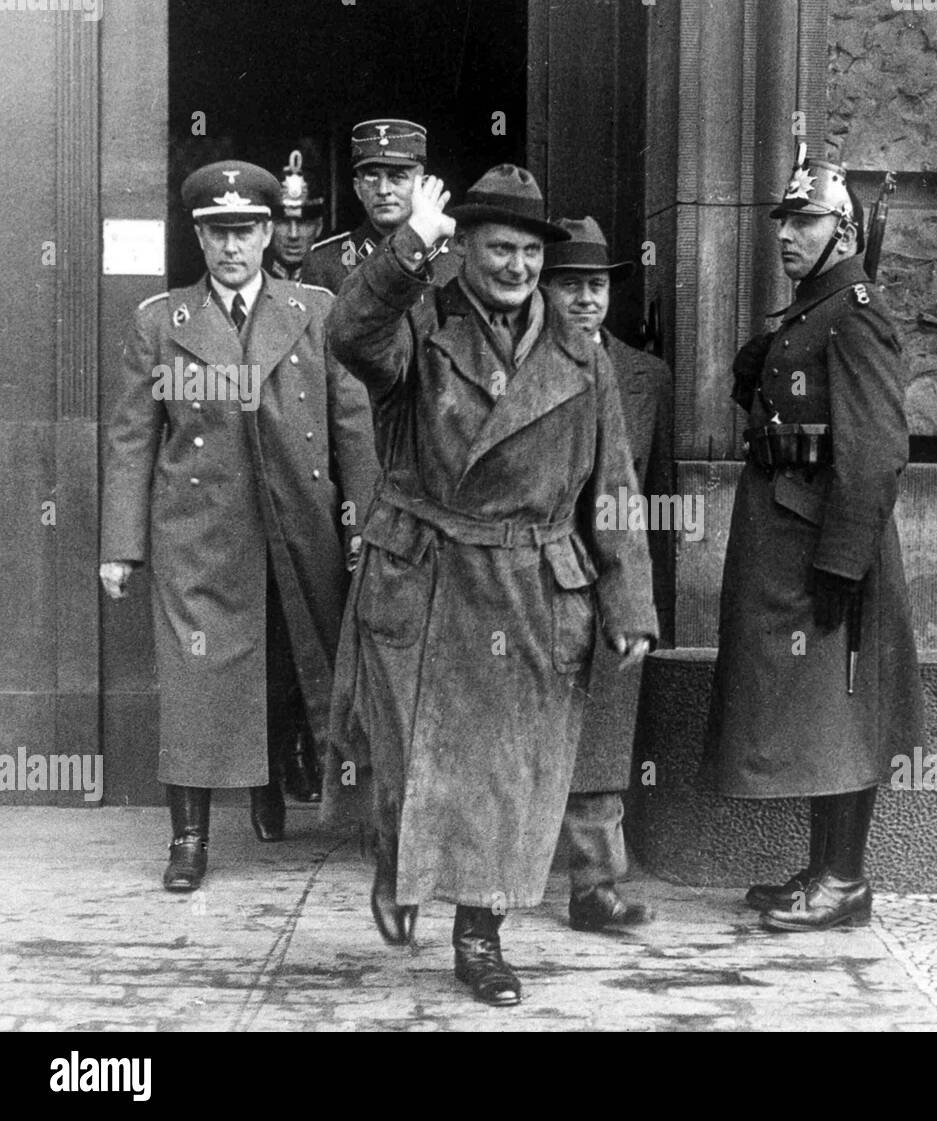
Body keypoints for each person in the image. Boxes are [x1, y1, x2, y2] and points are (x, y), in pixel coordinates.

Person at [326, 166, 657, 1006]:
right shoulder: (421, 328)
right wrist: (408, 249)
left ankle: (480, 936)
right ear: (463, 248)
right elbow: (349, 333)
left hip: (530, 588)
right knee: (407, 758)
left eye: (527, 252)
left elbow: (612, 486)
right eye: (498, 248)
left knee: (506, 779)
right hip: (426, 577)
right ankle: (395, 857)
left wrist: (629, 602)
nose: (515, 267)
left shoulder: (582, 357)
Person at [99, 160, 379, 892]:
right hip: (198, 533)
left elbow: (351, 424)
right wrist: (121, 548)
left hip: (300, 524)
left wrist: (363, 521)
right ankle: (188, 838)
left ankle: (293, 794)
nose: (233, 247)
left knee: (295, 664)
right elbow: (133, 437)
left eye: (247, 231)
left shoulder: (317, 310)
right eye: (218, 232)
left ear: (268, 234)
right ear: (199, 235)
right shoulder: (161, 322)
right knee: (196, 680)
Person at [703, 149, 923, 932]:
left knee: (844, 705)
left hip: (827, 540)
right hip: (787, 531)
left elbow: (875, 451)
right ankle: (824, 868)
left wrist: (843, 556)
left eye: (806, 221)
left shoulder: (856, 313)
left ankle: (845, 879)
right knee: (816, 705)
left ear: (845, 230)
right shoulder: (810, 311)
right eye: (785, 222)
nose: (787, 235)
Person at [540, 217, 673, 932]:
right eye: (570, 285)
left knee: (599, 737)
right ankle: (487, 881)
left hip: (599, 576)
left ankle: (594, 883)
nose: (587, 300)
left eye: (597, 286)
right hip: (521, 572)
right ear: (543, 289)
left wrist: (634, 600)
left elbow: (635, 491)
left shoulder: (644, 377)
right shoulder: (516, 361)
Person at [300, 118, 458, 294]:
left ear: (423, 185)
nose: (383, 190)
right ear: (357, 188)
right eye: (372, 177)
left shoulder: (456, 255)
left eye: (397, 177)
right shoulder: (326, 261)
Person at [267, 149, 324, 284]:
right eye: (283, 222)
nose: (293, 235)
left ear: (319, 227)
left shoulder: (333, 283)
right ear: (267, 228)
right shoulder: (250, 280)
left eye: (303, 223)